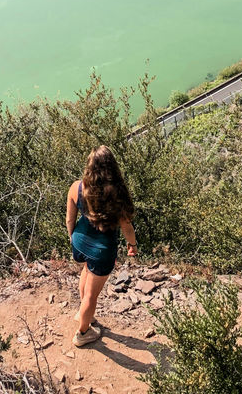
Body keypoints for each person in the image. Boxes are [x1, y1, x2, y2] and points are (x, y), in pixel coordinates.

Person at [66, 145, 138, 347]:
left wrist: (73, 239)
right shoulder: (117, 195)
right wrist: (132, 245)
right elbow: (126, 226)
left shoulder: (77, 187)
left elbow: (69, 221)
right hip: (101, 251)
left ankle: (82, 313)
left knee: (87, 270)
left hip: (79, 242)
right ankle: (83, 333)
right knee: (91, 295)